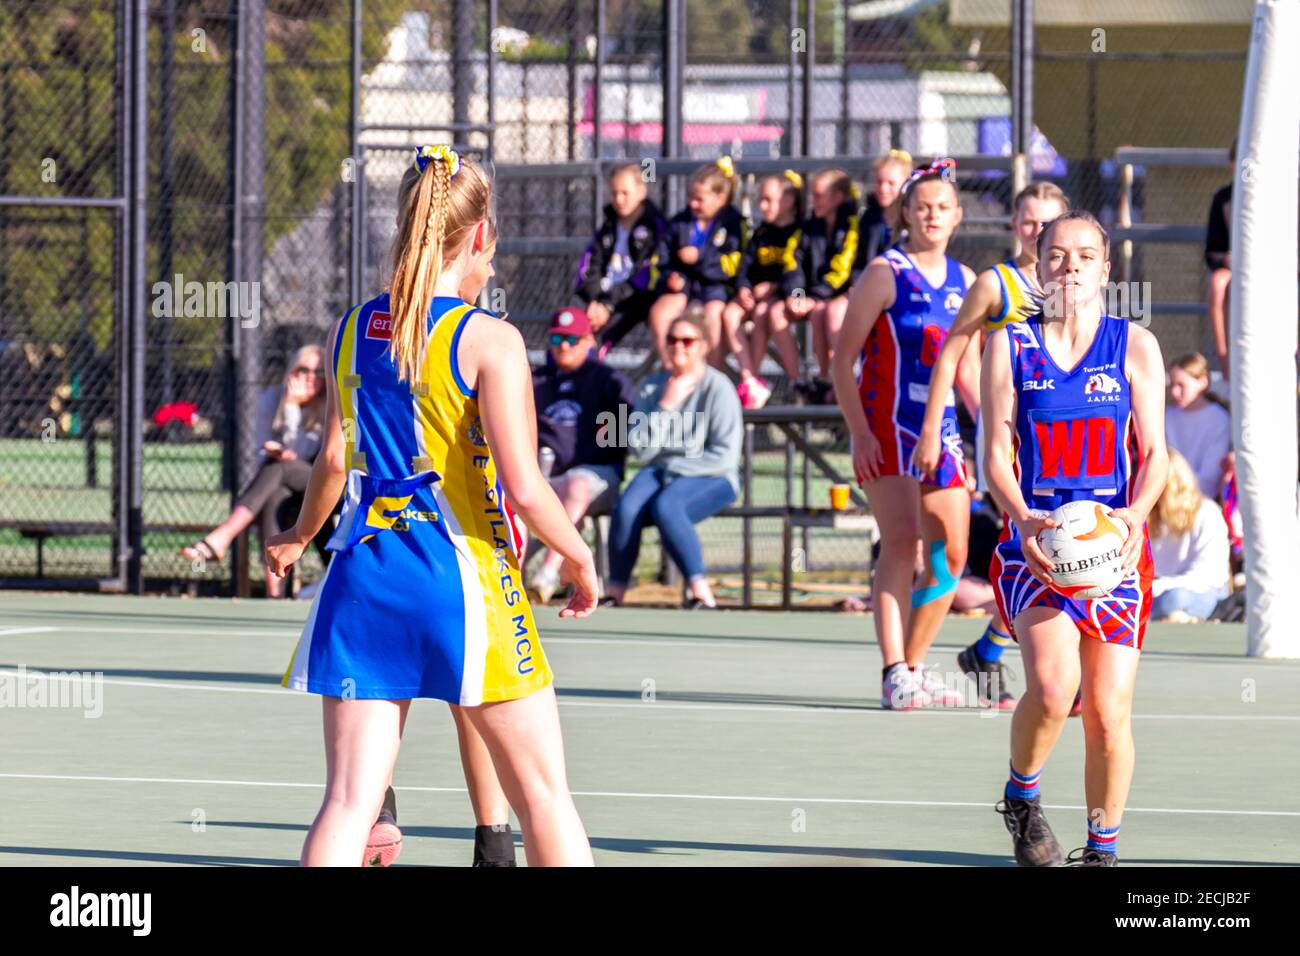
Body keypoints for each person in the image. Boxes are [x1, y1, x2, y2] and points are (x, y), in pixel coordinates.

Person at [265, 145, 598, 867]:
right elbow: (525, 487)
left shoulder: (351, 329)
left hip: (360, 577)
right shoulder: (491, 341)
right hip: (462, 580)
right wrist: (577, 555)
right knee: (544, 796)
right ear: (479, 236)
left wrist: (298, 535)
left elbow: (330, 462)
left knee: (350, 803)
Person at [983, 210, 1169, 867]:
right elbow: (996, 455)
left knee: (1108, 716)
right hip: (1036, 543)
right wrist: (1023, 517)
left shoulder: (1135, 346)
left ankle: (1101, 851)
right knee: (1057, 689)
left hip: (1111, 549)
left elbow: (1155, 457)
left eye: (1085, 256)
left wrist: (1135, 514)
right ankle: (1022, 795)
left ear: (1106, 269)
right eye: (1057, 255)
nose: (1071, 267)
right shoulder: (1008, 345)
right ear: (1037, 266)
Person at [915, 181, 1071, 709]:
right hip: (1009, 439)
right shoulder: (996, 283)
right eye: (1028, 222)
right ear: (1014, 226)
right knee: (1030, 544)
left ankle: (989, 648)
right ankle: (1043, 674)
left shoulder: (1076, 286)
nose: (1037, 231)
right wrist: (936, 421)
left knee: (1063, 545)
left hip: (1063, 435)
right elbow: (952, 351)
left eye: (1047, 222)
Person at [832, 158, 979, 710]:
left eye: (943, 208)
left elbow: (966, 368)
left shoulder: (966, 280)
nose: (932, 216)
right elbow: (842, 360)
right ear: (906, 214)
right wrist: (859, 435)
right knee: (901, 544)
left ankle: (915, 665)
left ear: (958, 215)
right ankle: (894, 668)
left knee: (952, 551)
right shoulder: (885, 273)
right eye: (922, 208)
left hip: (940, 432)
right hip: (886, 427)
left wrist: (992, 426)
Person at [603, 309, 742, 609]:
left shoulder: (719, 389)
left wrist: (676, 471)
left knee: (668, 506)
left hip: (713, 476)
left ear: (703, 345)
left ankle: (701, 593)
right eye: (672, 339)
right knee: (626, 509)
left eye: (687, 341)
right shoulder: (654, 387)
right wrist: (666, 406)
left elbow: (725, 456)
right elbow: (640, 450)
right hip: (660, 471)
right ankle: (614, 593)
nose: (679, 346)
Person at [180, 344, 327, 598]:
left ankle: (221, 537)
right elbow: (264, 452)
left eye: (319, 372)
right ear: (292, 370)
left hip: (320, 484)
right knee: (275, 492)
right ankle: (276, 591)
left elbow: (303, 455)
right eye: (303, 370)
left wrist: (292, 408)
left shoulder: (329, 405)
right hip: (283, 482)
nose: (310, 377)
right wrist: (278, 448)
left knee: (279, 469)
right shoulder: (271, 399)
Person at [529, 306, 638, 604]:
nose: (564, 346)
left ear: (589, 341)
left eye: (573, 339)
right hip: (548, 479)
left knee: (576, 486)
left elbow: (629, 425)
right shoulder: (537, 381)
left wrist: (607, 441)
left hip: (599, 478)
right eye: (557, 339)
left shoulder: (608, 380)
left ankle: (548, 573)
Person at [649, 157, 746, 362]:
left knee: (713, 316)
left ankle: (711, 375)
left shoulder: (734, 224)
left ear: (720, 199)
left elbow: (734, 263)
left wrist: (700, 257)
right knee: (661, 312)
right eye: (691, 197)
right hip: (684, 286)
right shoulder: (679, 222)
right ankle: (672, 370)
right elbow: (662, 258)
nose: (693, 203)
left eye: (699, 199)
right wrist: (670, 277)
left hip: (716, 288)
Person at [725, 170, 804, 409]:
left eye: (768, 199)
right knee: (729, 314)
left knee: (764, 315)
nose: (762, 205)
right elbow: (745, 267)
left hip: (783, 296)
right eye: (760, 199)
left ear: (788, 201)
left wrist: (773, 287)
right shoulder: (760, 233)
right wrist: (743, 288)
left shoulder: (798, 232)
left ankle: (798, 382)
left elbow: (798, 272)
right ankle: (749, 378)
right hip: (756, 296)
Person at [572, 163, 667, 356]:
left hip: (634, 298)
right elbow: (591, 263)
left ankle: (592, 372)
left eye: (625, 193)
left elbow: (645, 275)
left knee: (593, 344)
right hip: (600, 298)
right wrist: (594, 299)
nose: (618, 199)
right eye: (614, 193)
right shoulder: (608, 225)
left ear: (641, 192)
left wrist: (608, 304)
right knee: (567, 328)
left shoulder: (655, 226)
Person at [786, 168, 864, 404]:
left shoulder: (853, 225)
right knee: (813, 311)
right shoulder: (809, 228)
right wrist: (798, 295)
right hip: (816, 296)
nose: (813, 201)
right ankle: (821, 379)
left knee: (828, 312)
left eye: (819, 195)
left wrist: (816, 296)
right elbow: (793, 265)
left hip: (842, 293)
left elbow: (843, 267)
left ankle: (846, 377)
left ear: (837, 198)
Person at [1149, 450, 1231, 622]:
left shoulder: (1207, 512)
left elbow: (1206, 575)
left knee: (1176, 598)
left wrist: (1161, 585)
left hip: (1200, 590)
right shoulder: (1147, 515)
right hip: (1155, 589)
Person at [1164, 352, 1233, 501]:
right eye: (1172, 385)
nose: (1174, 392)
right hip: (1168, 501)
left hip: (1201, 502)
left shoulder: (1219, 419)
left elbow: (1210, 477)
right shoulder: (1167, 417)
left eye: (1181, 385)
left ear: (1203, 382)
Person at [1205, 139, 1234, 377]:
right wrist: (1226, 259)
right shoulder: (1224, 199)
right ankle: (1225, 359)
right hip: (1235, 265)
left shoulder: (1280, 195)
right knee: (1217, 284)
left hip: (1275, 267)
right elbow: (1212, 249)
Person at [859, 149, 912, 264]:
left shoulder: (912, 220)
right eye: (879, 182)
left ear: (906, 184)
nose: (883, 189)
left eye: (891, 183)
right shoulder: (868, 218)